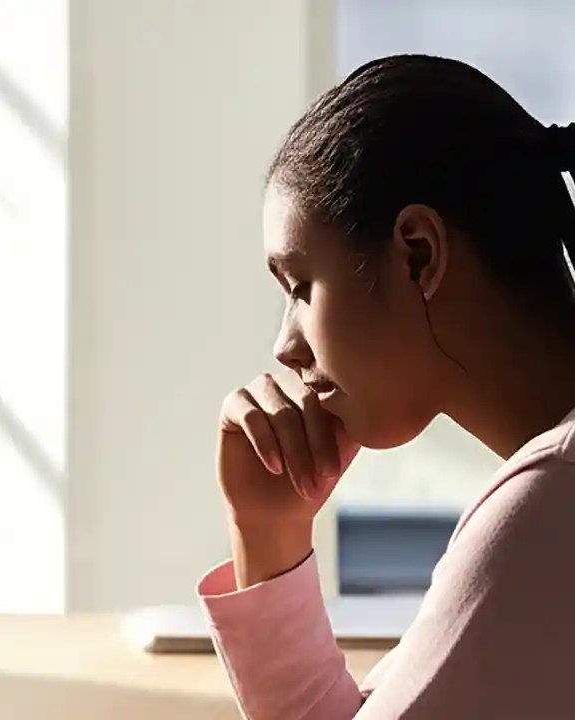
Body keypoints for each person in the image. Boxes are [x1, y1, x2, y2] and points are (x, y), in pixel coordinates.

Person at [200, 54, 575, 718]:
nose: (284, 346)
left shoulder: (547, 512)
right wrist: (267, 532)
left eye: (300, 287)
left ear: (419, 254)